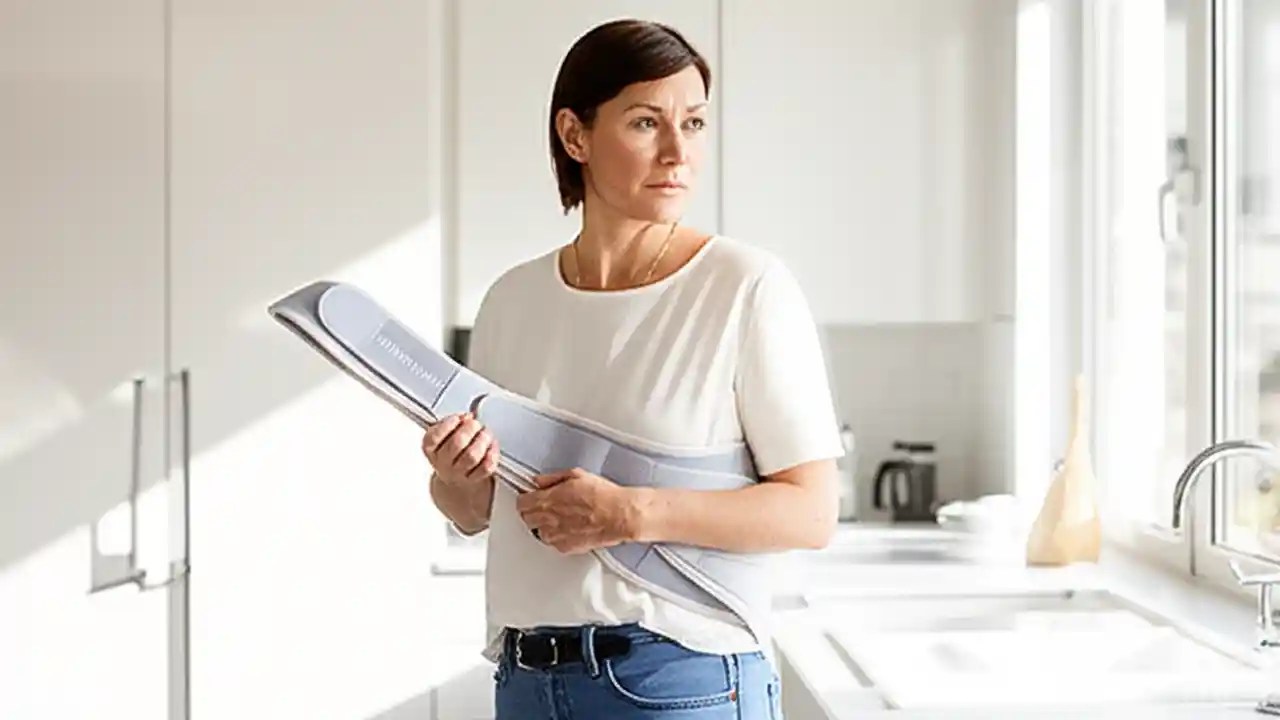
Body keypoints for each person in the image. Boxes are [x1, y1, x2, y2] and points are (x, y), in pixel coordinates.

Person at [422, 18, 844, 719]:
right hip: (526, 682)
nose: (679, 151)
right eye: (647, 122)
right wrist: (453, 477)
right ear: (575, 135)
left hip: (678, 682)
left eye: (696, 123)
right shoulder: (511, 300)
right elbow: (474, 512)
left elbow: (812, 510)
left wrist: (630, 513)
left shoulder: (744, 287)